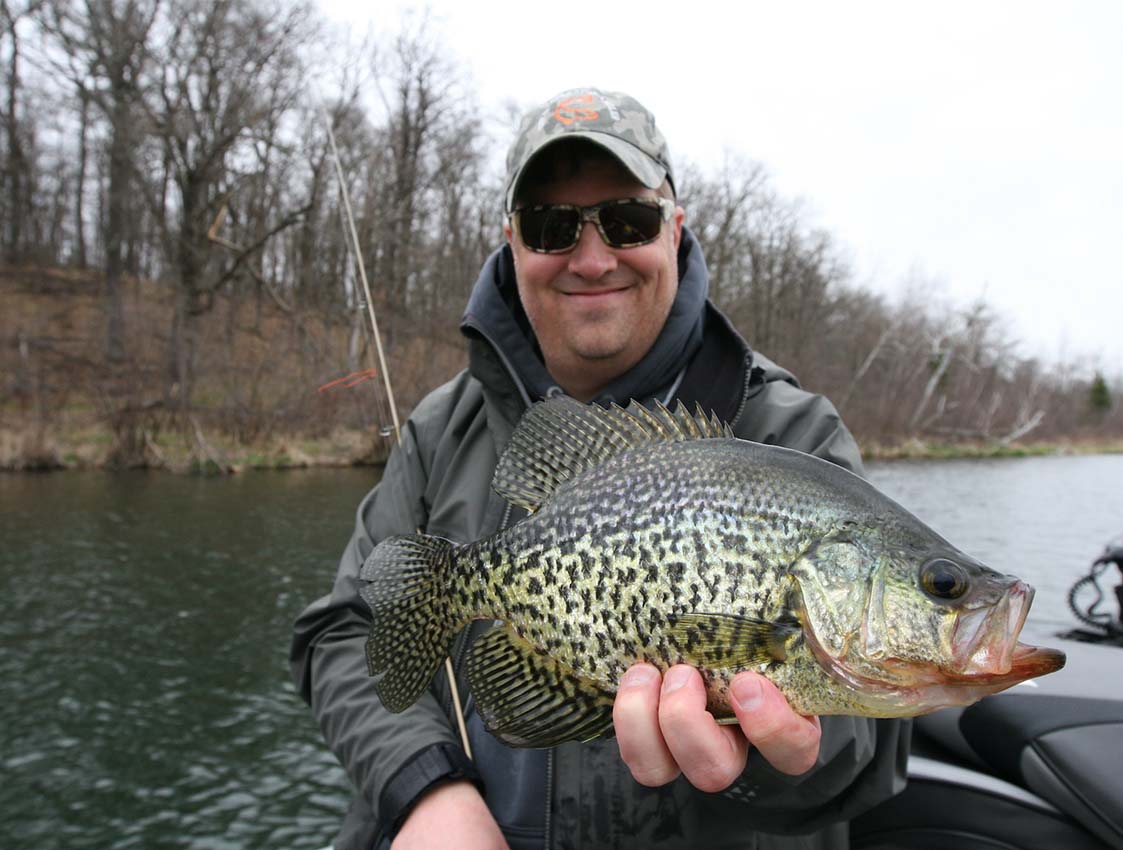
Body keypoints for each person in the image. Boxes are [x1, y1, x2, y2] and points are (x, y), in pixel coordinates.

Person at [291, 87, 910, 850]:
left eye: (628, 220)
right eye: (552, 227)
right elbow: (347, 631)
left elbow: (869, 745)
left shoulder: (790, 436)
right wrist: (422, 789)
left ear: (674, 227)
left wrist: (775, 760)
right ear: (512, 242)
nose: (591, 259)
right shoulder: (439, 431)